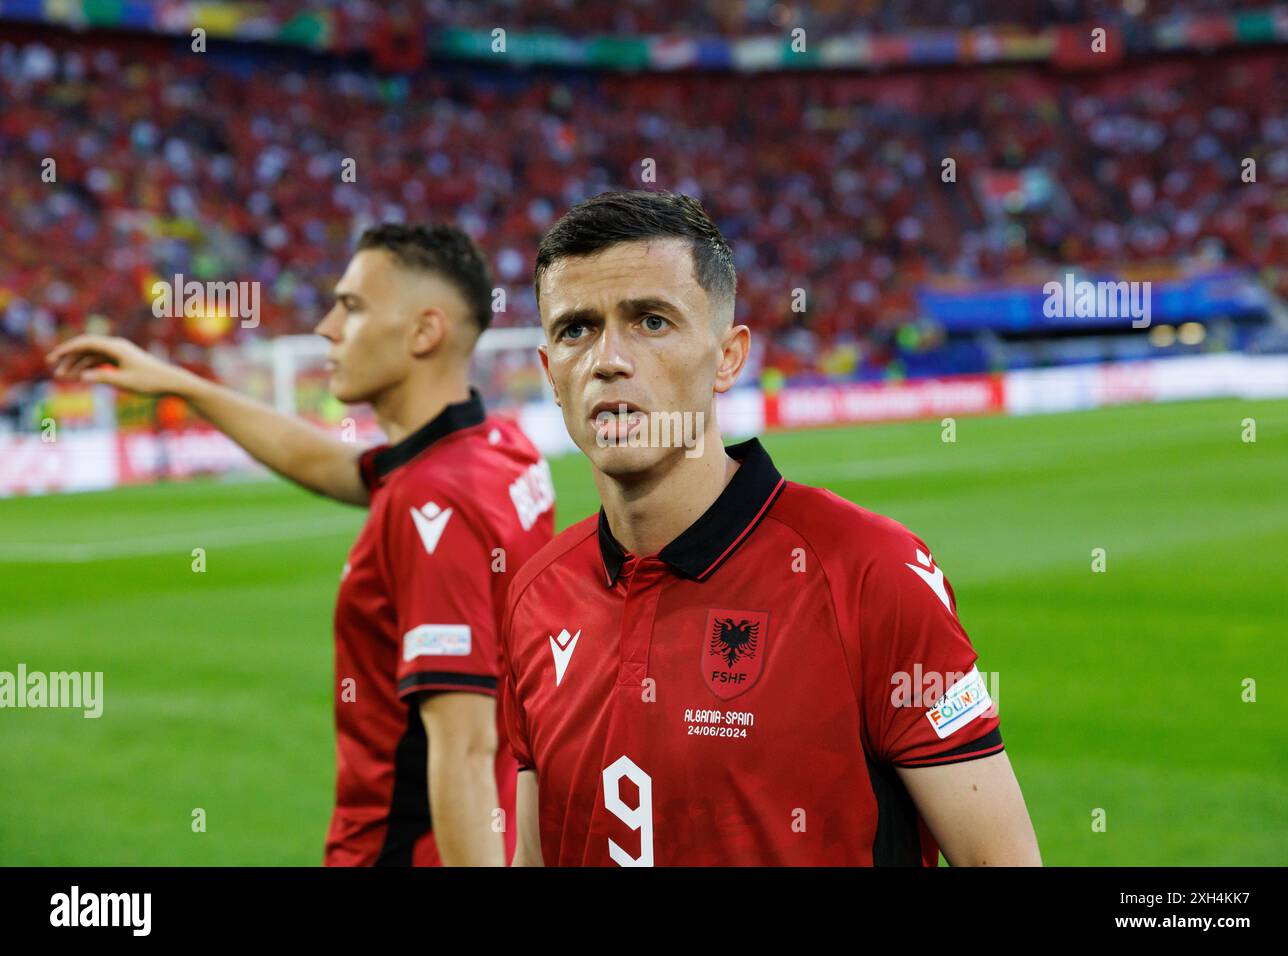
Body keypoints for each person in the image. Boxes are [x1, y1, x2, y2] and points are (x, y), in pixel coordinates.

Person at [502, 191, 1039, 865]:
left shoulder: (870, 572)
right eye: (576, 329)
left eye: (651, 322)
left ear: (728, 358)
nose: (609, 359)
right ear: (551, 373)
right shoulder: (534, 596)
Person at [49, 224, 555, 866]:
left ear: (425, 332)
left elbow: (464, 747)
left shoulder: (433, 502)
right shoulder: (497, 447)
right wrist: (184, 385)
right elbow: (338, 466)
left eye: (352, 306)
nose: (325, 327)